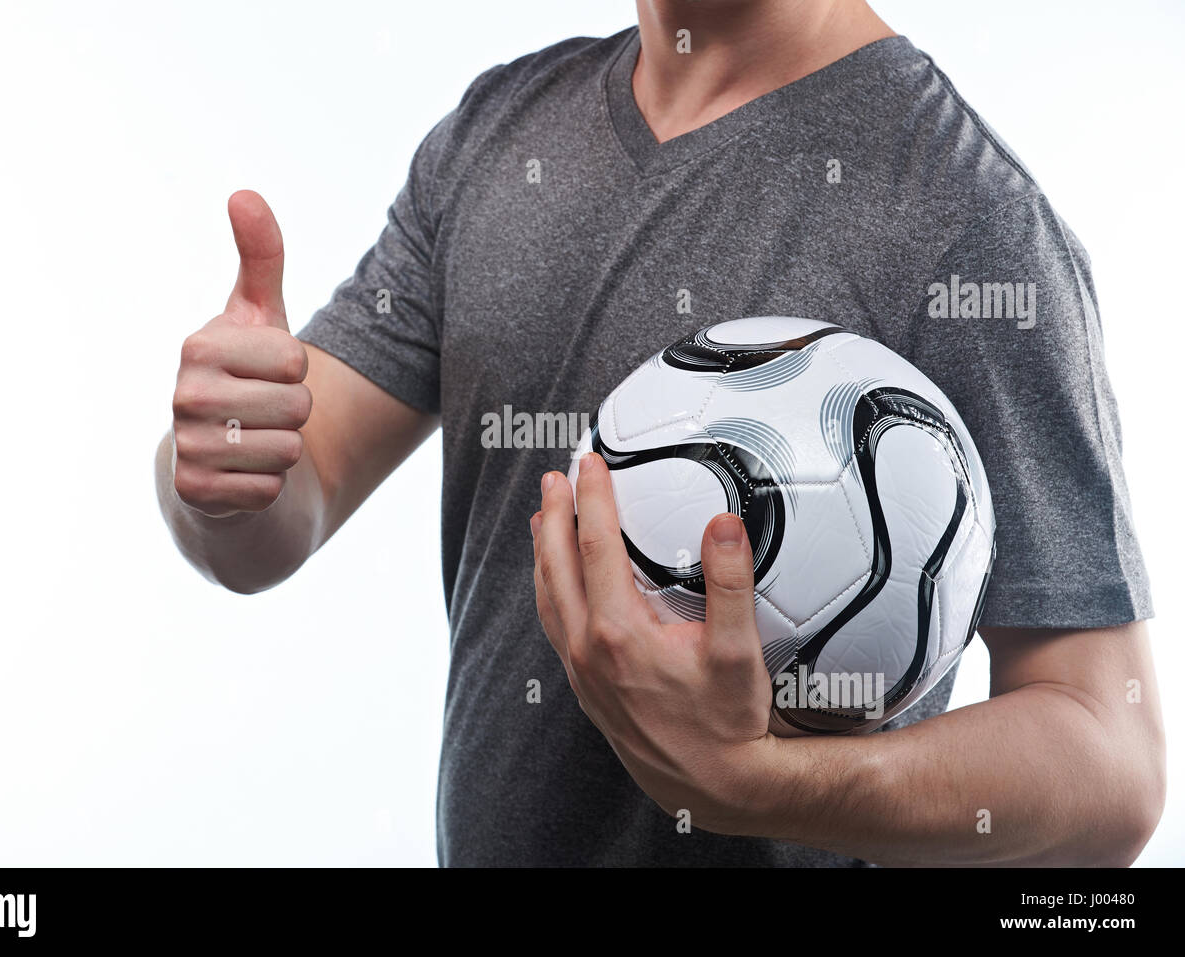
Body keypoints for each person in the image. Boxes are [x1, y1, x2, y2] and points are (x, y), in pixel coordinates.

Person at [155, 0, 1164, 866]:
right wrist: (211, 470)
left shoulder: (970, 217)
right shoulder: (497, 132)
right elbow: (278, 515)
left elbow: (1109, 763)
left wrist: (763, 784)